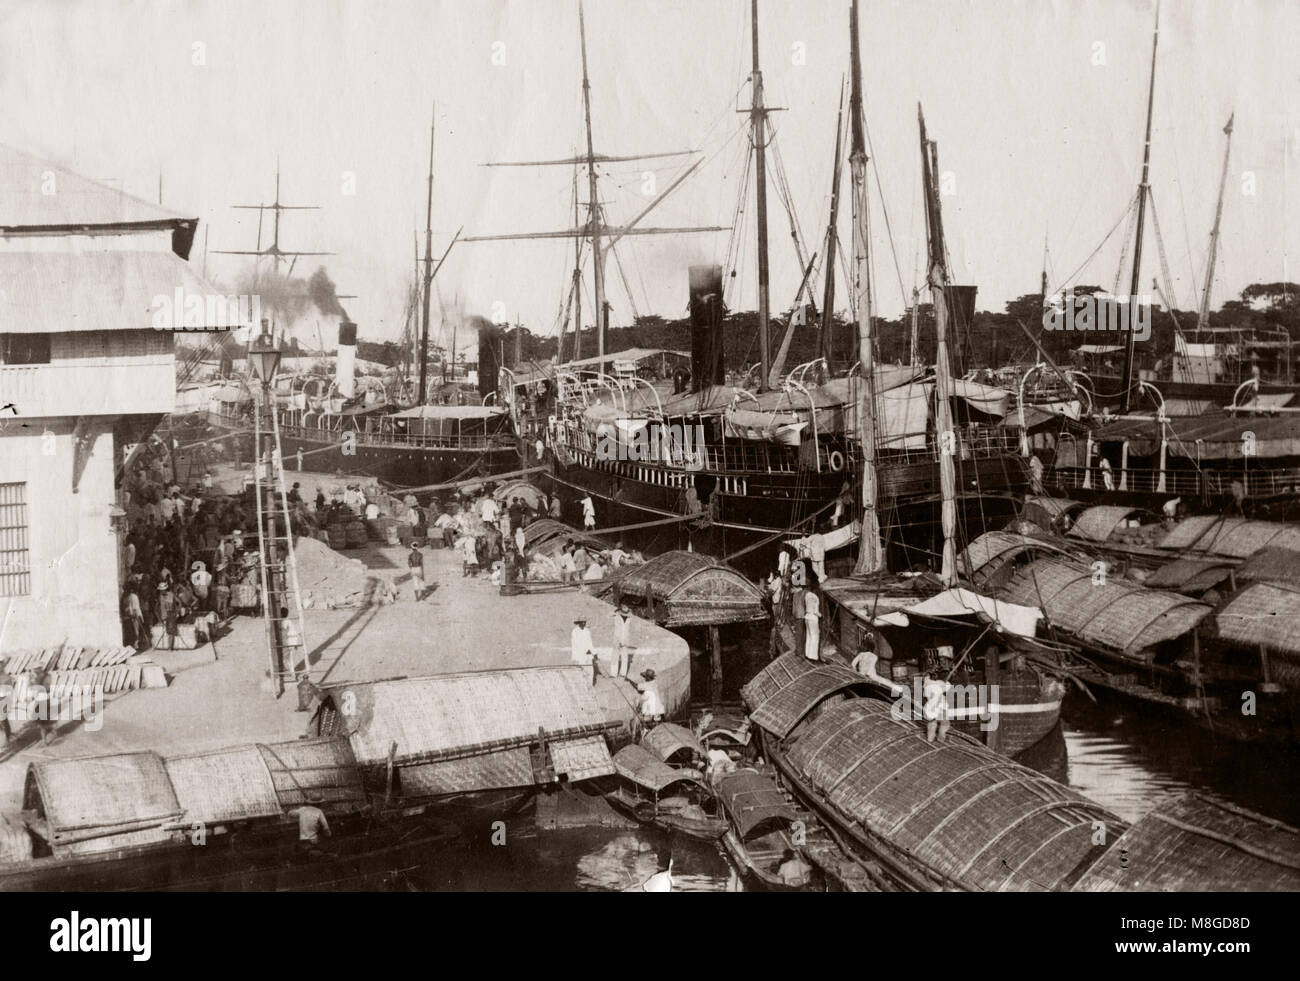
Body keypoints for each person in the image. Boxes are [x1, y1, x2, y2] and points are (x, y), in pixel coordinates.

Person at [613, 602, 634, 678]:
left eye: (627, 607)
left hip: (625, 639)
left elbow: (627, 630)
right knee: (615, 656)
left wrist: (624, 640)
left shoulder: (629, 618)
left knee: (624, 656)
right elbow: (617, 630)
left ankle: (623, 673)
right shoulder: (616, 617)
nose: (626, 608)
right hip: (617, 638)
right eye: (624, 607)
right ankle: (613, 673)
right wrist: (619, 640)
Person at [803, 586, 821, 662]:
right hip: (813, 618)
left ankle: (807, 654)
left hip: (807, 616)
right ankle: (813, 656)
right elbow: (816, 612)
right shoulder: (815, 597)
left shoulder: (807, 595)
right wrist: (821, 615)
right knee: (815, 637)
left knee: (809, 636)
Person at [791, 579, 806, 659]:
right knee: (804, 634)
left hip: (798, 616)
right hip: (804, 616)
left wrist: (793, 617)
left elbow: (794, 609)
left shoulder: (795, 595)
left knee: (798, 634)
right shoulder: (804, 593)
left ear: (795, 587)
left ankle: (798, 651)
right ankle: (803, 651)